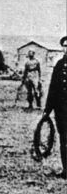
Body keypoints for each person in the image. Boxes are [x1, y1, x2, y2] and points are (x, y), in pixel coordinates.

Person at [43, 36, 67, 179]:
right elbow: (53, 88)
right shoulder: (59, 65)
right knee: (64, 140)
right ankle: (66, 170)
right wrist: (47, 109)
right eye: (65, 46)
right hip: (62, 110)